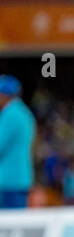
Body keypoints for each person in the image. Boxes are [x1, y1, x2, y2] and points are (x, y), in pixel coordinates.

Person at [0, 75, 35, 209]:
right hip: (20, 177)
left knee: (7, 222)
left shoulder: (10, 114)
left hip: (8, 179)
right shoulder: (24, 112)